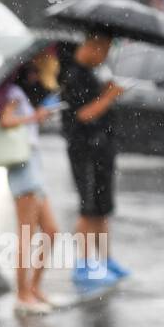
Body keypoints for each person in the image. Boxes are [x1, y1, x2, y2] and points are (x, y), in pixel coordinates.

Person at [59, 31, 128, 297]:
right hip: (84, 149)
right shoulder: (73, 74)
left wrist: (108, 91)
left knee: (102, 208)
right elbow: (83, 115)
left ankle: (105, 259)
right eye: (103, 49)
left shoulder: (94, 71)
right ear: (92, 46)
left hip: (102, 148)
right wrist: (109, 97)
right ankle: (85, 262)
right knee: (88, 208)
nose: (106, 56)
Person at [0, 51, 62, 315]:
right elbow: (6, 120)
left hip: (33, 165)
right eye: (33, 70)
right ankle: (22, 294)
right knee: (27, 235)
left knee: (50, 232)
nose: (36, 75)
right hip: (23, 168)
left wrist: (37, 114)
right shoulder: (13, 91)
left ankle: (34, 287)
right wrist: (33, 117)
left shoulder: (23, 93)